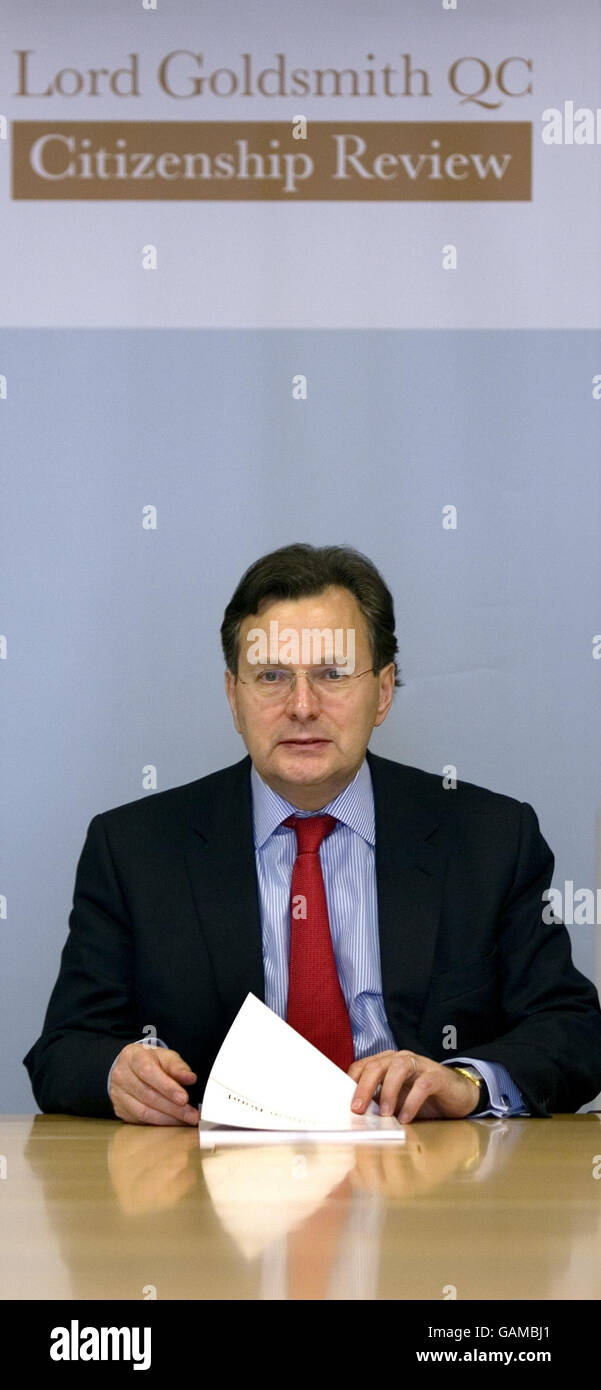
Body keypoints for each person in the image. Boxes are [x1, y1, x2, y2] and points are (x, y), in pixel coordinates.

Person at [23, 543, 601, 1125]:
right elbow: (64, 1050)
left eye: (332, 674)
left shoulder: (491, 839)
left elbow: (572, 1031)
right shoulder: (133, 849)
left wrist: (465, 1081)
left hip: (426, 1182)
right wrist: (116, 1074)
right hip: (213, 1193)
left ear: (384, 691)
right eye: (272, 676)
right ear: (233, 695)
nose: (302, 706)